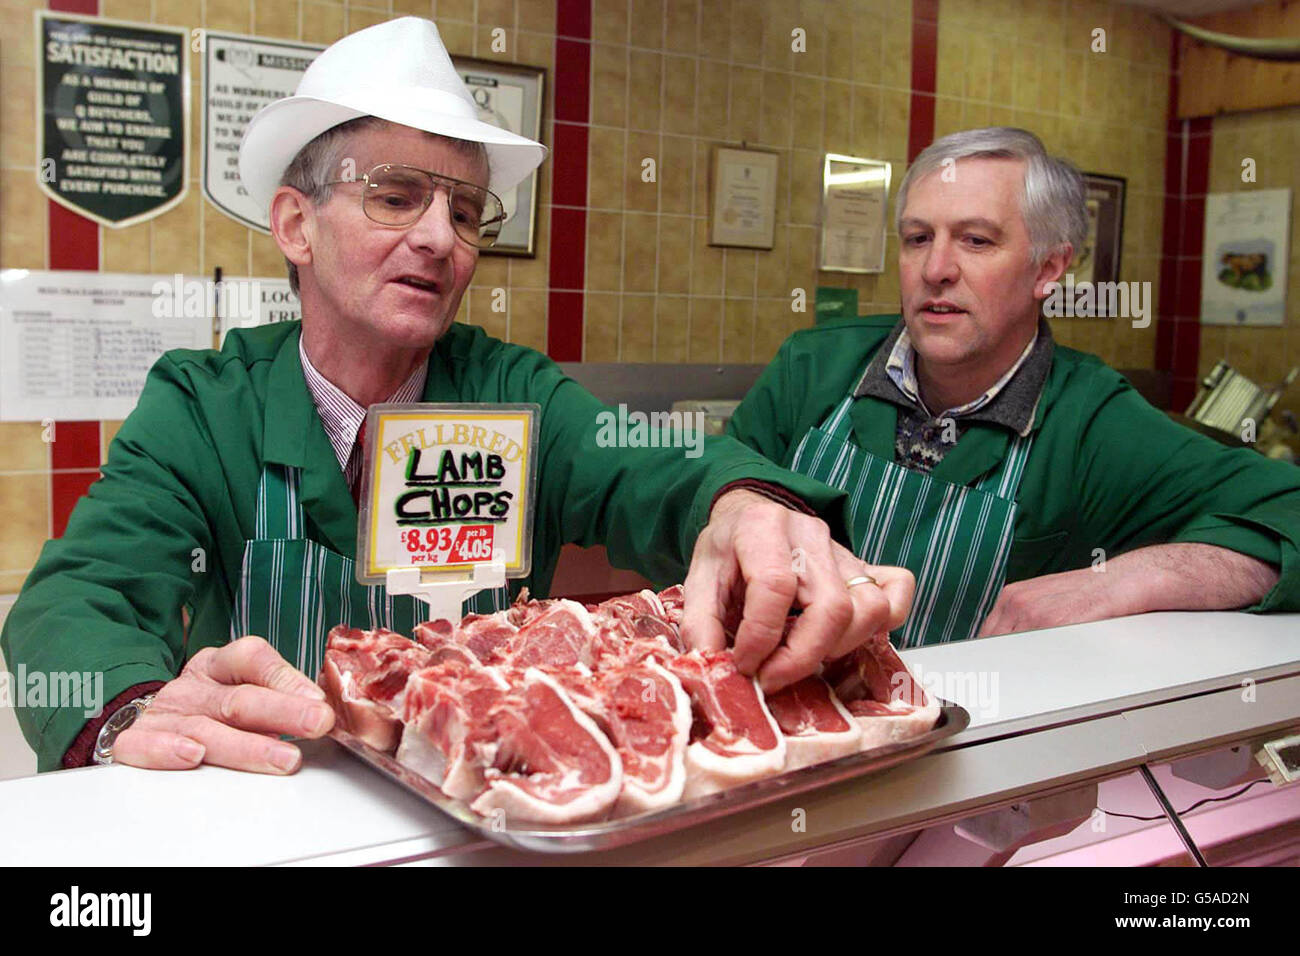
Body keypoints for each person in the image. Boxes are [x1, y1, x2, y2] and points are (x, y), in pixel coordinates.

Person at [2, 19, 913, 775]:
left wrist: (743, 503)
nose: (441, 239)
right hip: (273, 808)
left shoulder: (512, 393)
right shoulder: (204, 404)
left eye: (467, 213)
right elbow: (78, 597)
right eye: (398, 197)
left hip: (488, 805)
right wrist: (123, 712)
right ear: (296, 226)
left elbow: (652, 459)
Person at [727, 126, 1300, 648]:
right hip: (788, 730)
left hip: (978, 749)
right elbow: (700, 507)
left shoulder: (1095, 423)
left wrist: (1130, 577)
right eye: (918, 238)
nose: (936, 269)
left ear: (1049, 269)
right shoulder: (814, 367)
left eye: (976, 241)